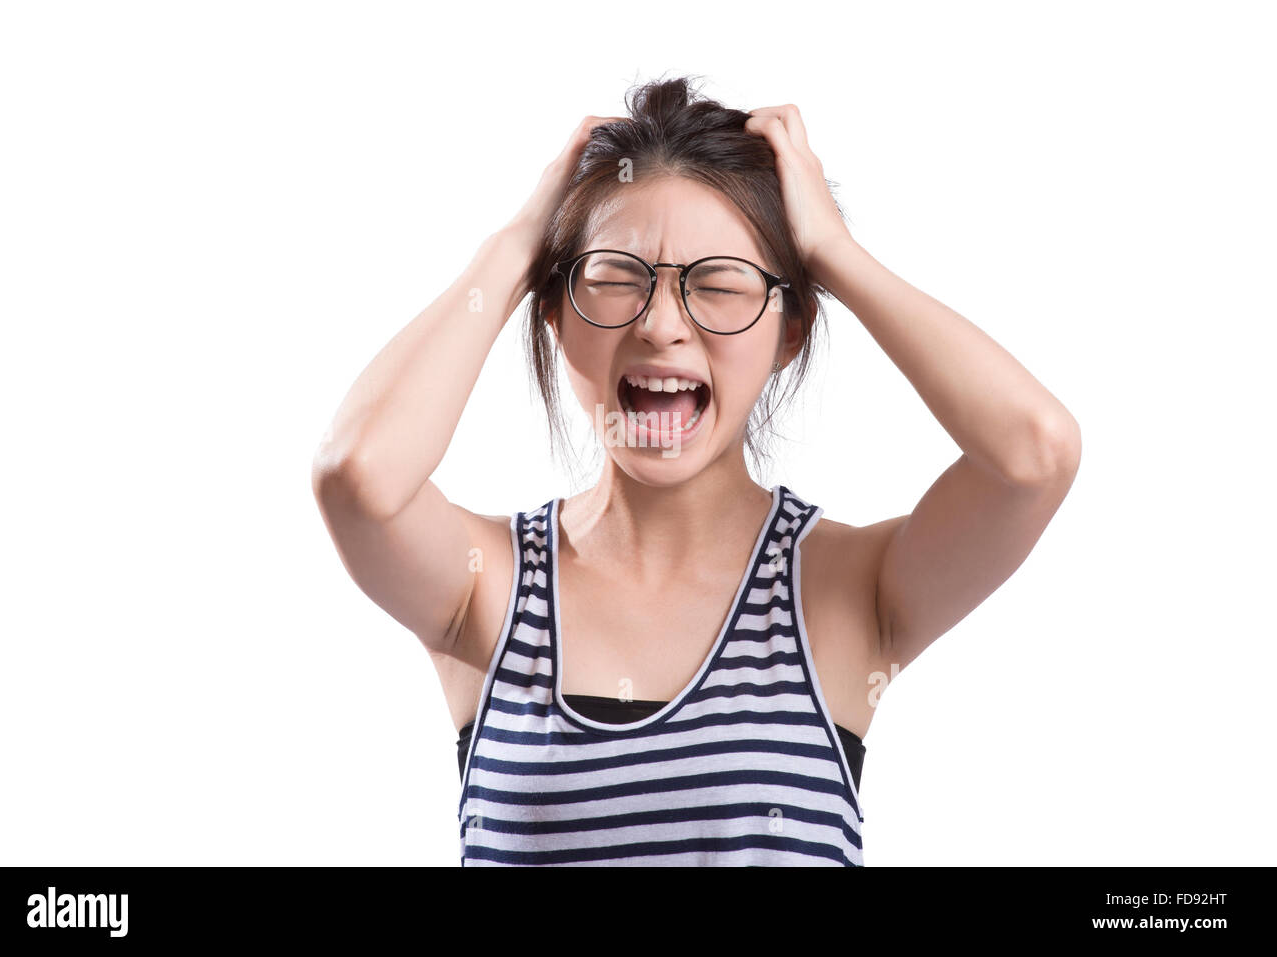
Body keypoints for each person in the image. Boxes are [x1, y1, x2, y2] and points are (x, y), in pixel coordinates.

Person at [311, 76, 1081, 866]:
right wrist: (514, 247)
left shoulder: (849, 589)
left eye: (719, 285)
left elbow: (1035, 453)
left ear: (789, 332)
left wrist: (834, 254)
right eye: (613, 279)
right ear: (552, 313)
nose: (661, 325)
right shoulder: (485, 585)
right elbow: (357, 473)